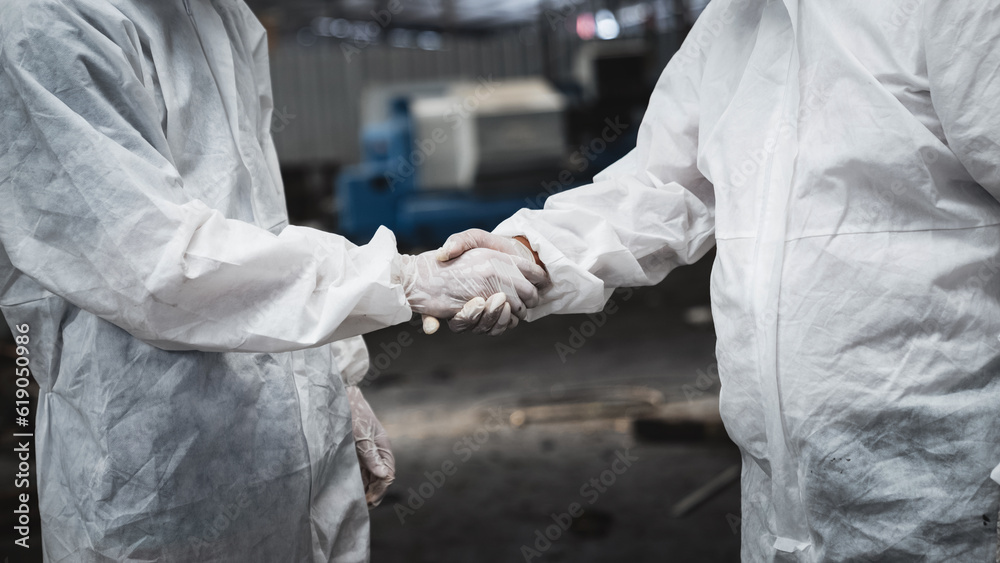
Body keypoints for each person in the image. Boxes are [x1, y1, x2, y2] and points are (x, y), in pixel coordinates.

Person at [439, 0, 1000, 560]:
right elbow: (668, 187)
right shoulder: (733, 21)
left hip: (948, 485)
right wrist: (528, 253)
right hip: (781, 493)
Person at [0, 0, 544, 560]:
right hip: (158, 468)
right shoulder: (49, 21)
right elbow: (154, 265)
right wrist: (405, 277)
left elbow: (262, 221)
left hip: (293, 443)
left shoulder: (217, 13)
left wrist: (334, 382)